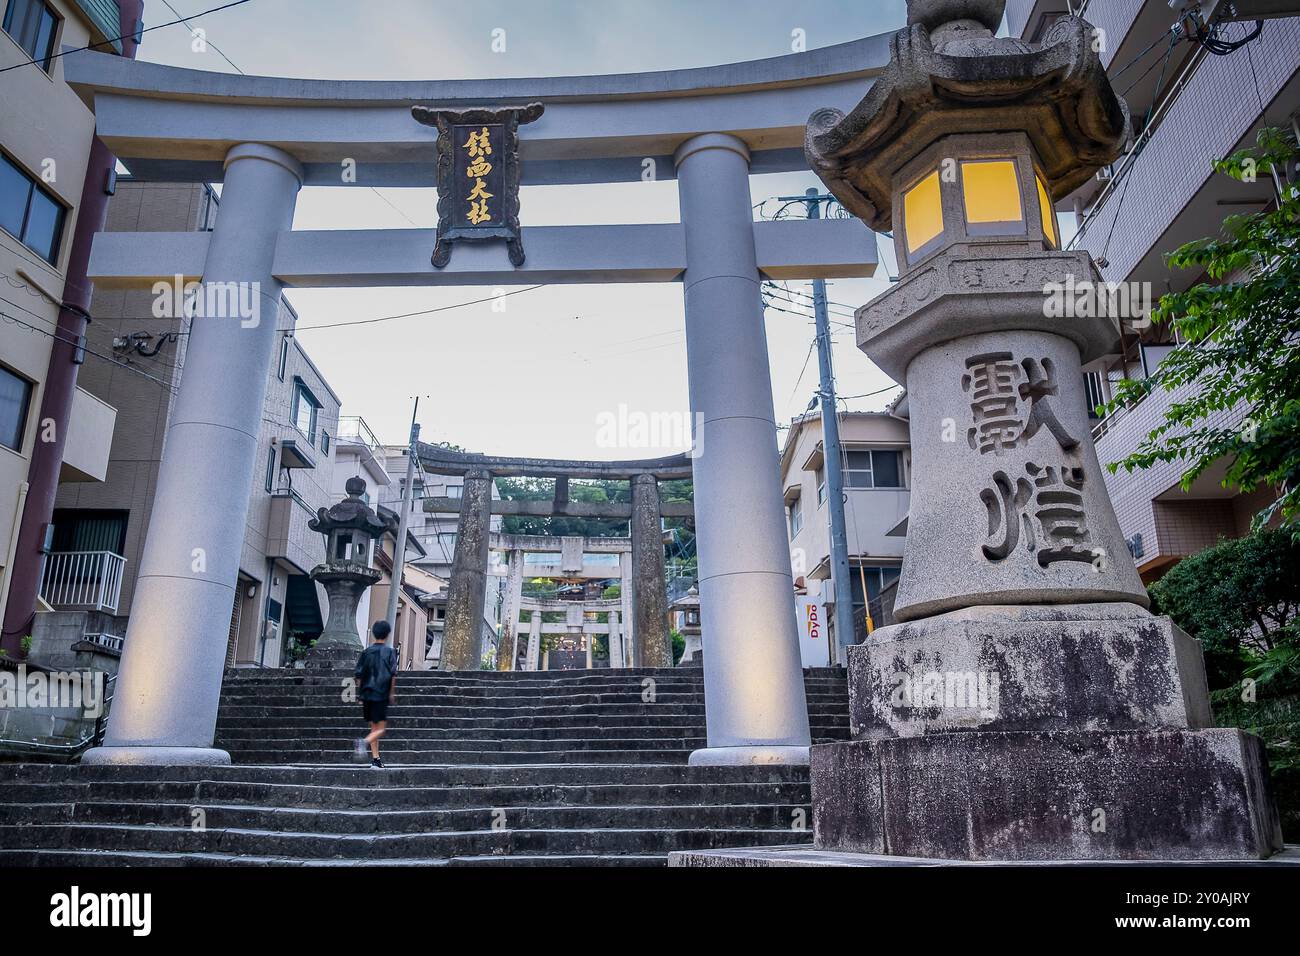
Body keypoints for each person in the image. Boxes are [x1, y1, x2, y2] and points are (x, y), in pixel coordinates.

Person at [353, 620, 397, 768]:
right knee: (381, 729)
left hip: (367, 694)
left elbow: (359, 675)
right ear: (387, 634)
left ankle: (376, 759)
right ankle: (363, 743)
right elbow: (392, 675)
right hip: (380, 694)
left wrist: (361, 694)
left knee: (374, 728)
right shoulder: (390, 652)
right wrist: (391, 693)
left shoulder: (366, 652)